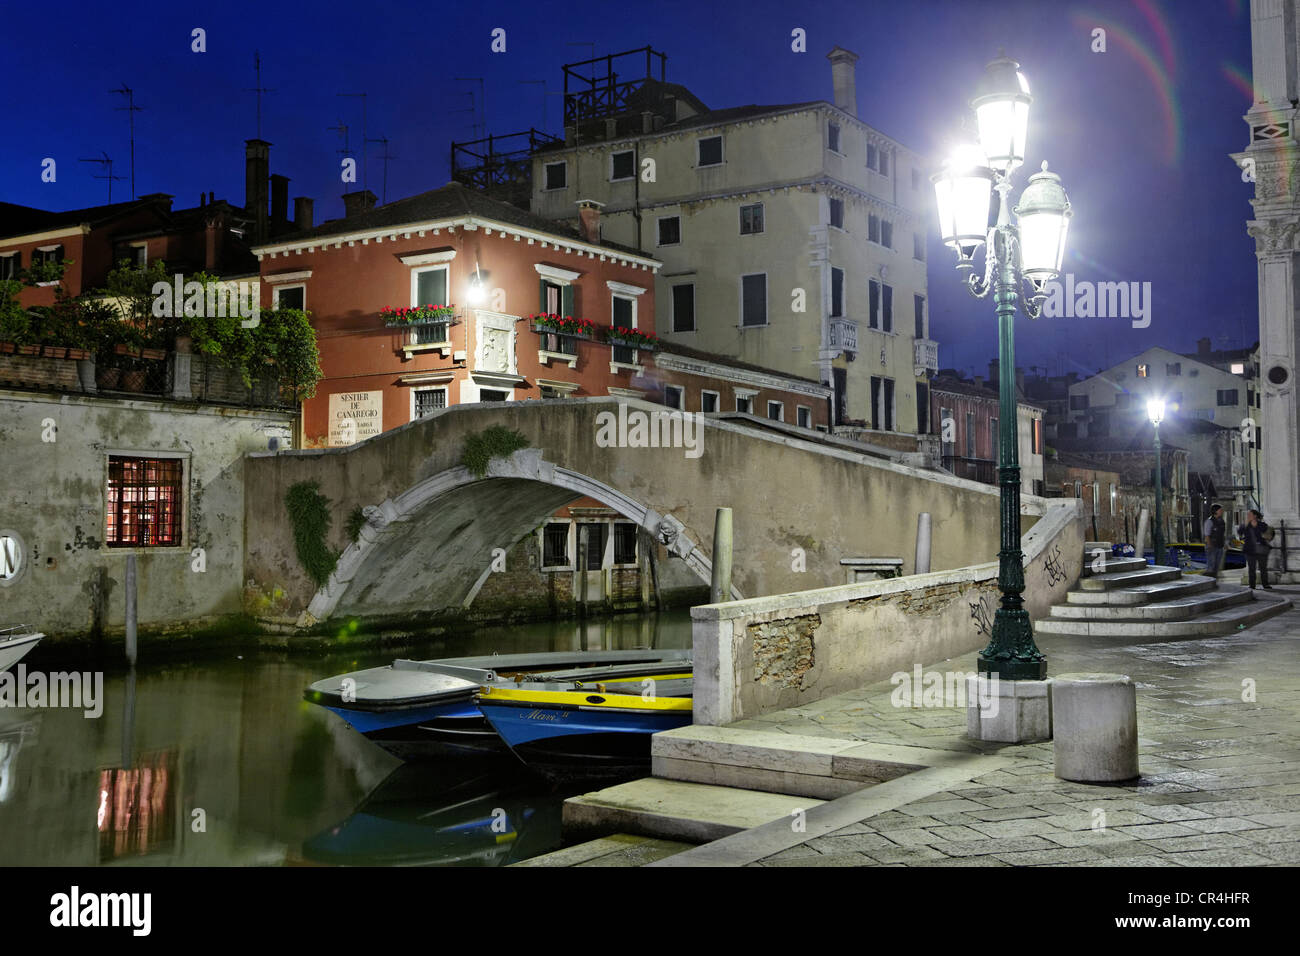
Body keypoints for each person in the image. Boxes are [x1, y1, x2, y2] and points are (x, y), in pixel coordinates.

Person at [1238, 509, 1273, 590]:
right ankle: (1252, 585)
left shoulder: (1262, 525)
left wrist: (1268, 538)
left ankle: (1265, 584)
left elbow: (1270, 533)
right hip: (1250, 549)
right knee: (1251, 568)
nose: (1248, 516)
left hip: (1261, 549)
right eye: (1247, 515)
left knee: (1263, 568)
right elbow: (1240, 532)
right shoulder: (1245, 525)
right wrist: (1246, 524)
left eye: (1250, 514)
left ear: (1255, 516)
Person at [1203, 504, 1226, 577]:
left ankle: (1214, 580)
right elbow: (1207, 535)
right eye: (1220, 510)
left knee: (1217, 565)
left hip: (1220, 546)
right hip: (1212, 546)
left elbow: (1222, 534)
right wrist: (1209, 545)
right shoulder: (1209, 521)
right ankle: (1209, 580)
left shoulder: (1221, 521)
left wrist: (1224, 544)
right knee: (1211, 565)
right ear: (1215, 511)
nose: (1222, 511)